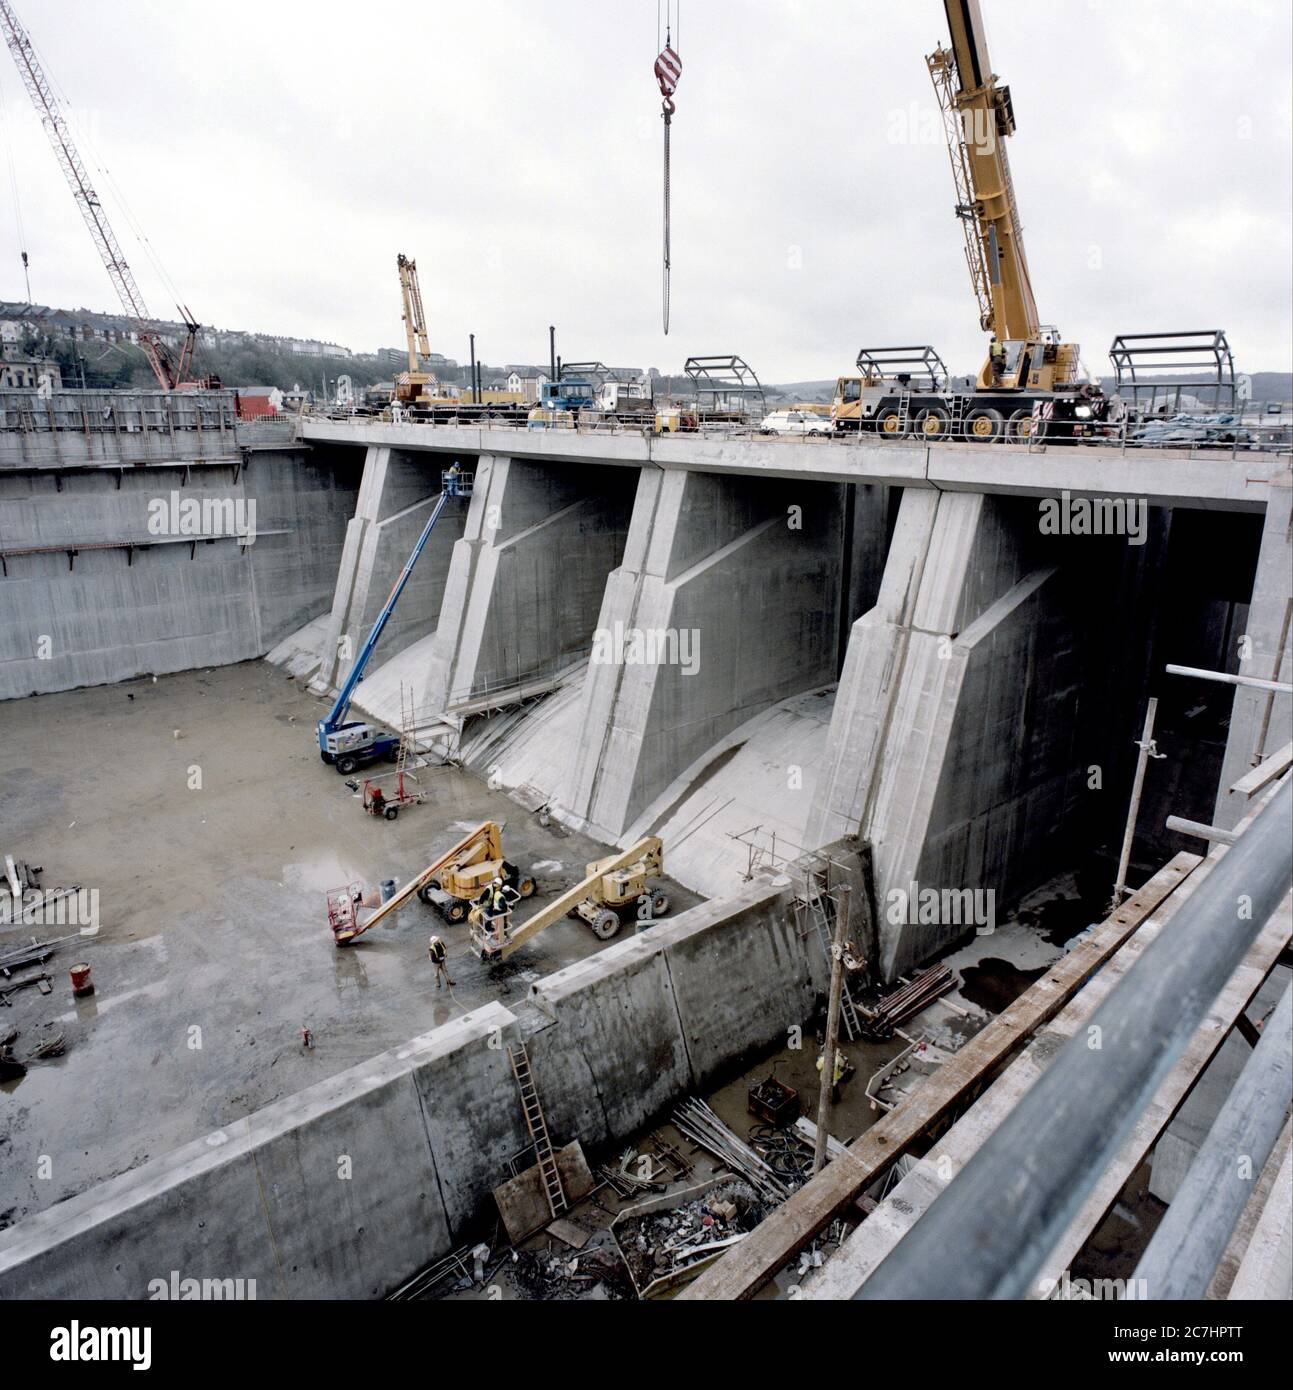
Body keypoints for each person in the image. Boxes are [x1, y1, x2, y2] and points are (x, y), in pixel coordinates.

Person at [475, 876, 518, 950]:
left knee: (493, 920)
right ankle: (489, 932)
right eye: (499, 885)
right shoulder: (489, 889)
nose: (500, 886)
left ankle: (491, 931)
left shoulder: (496, 889)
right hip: (487, 906)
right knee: (490, 919)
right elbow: (483, 897)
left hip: (492, 906)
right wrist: (480, 905)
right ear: (497, 884)